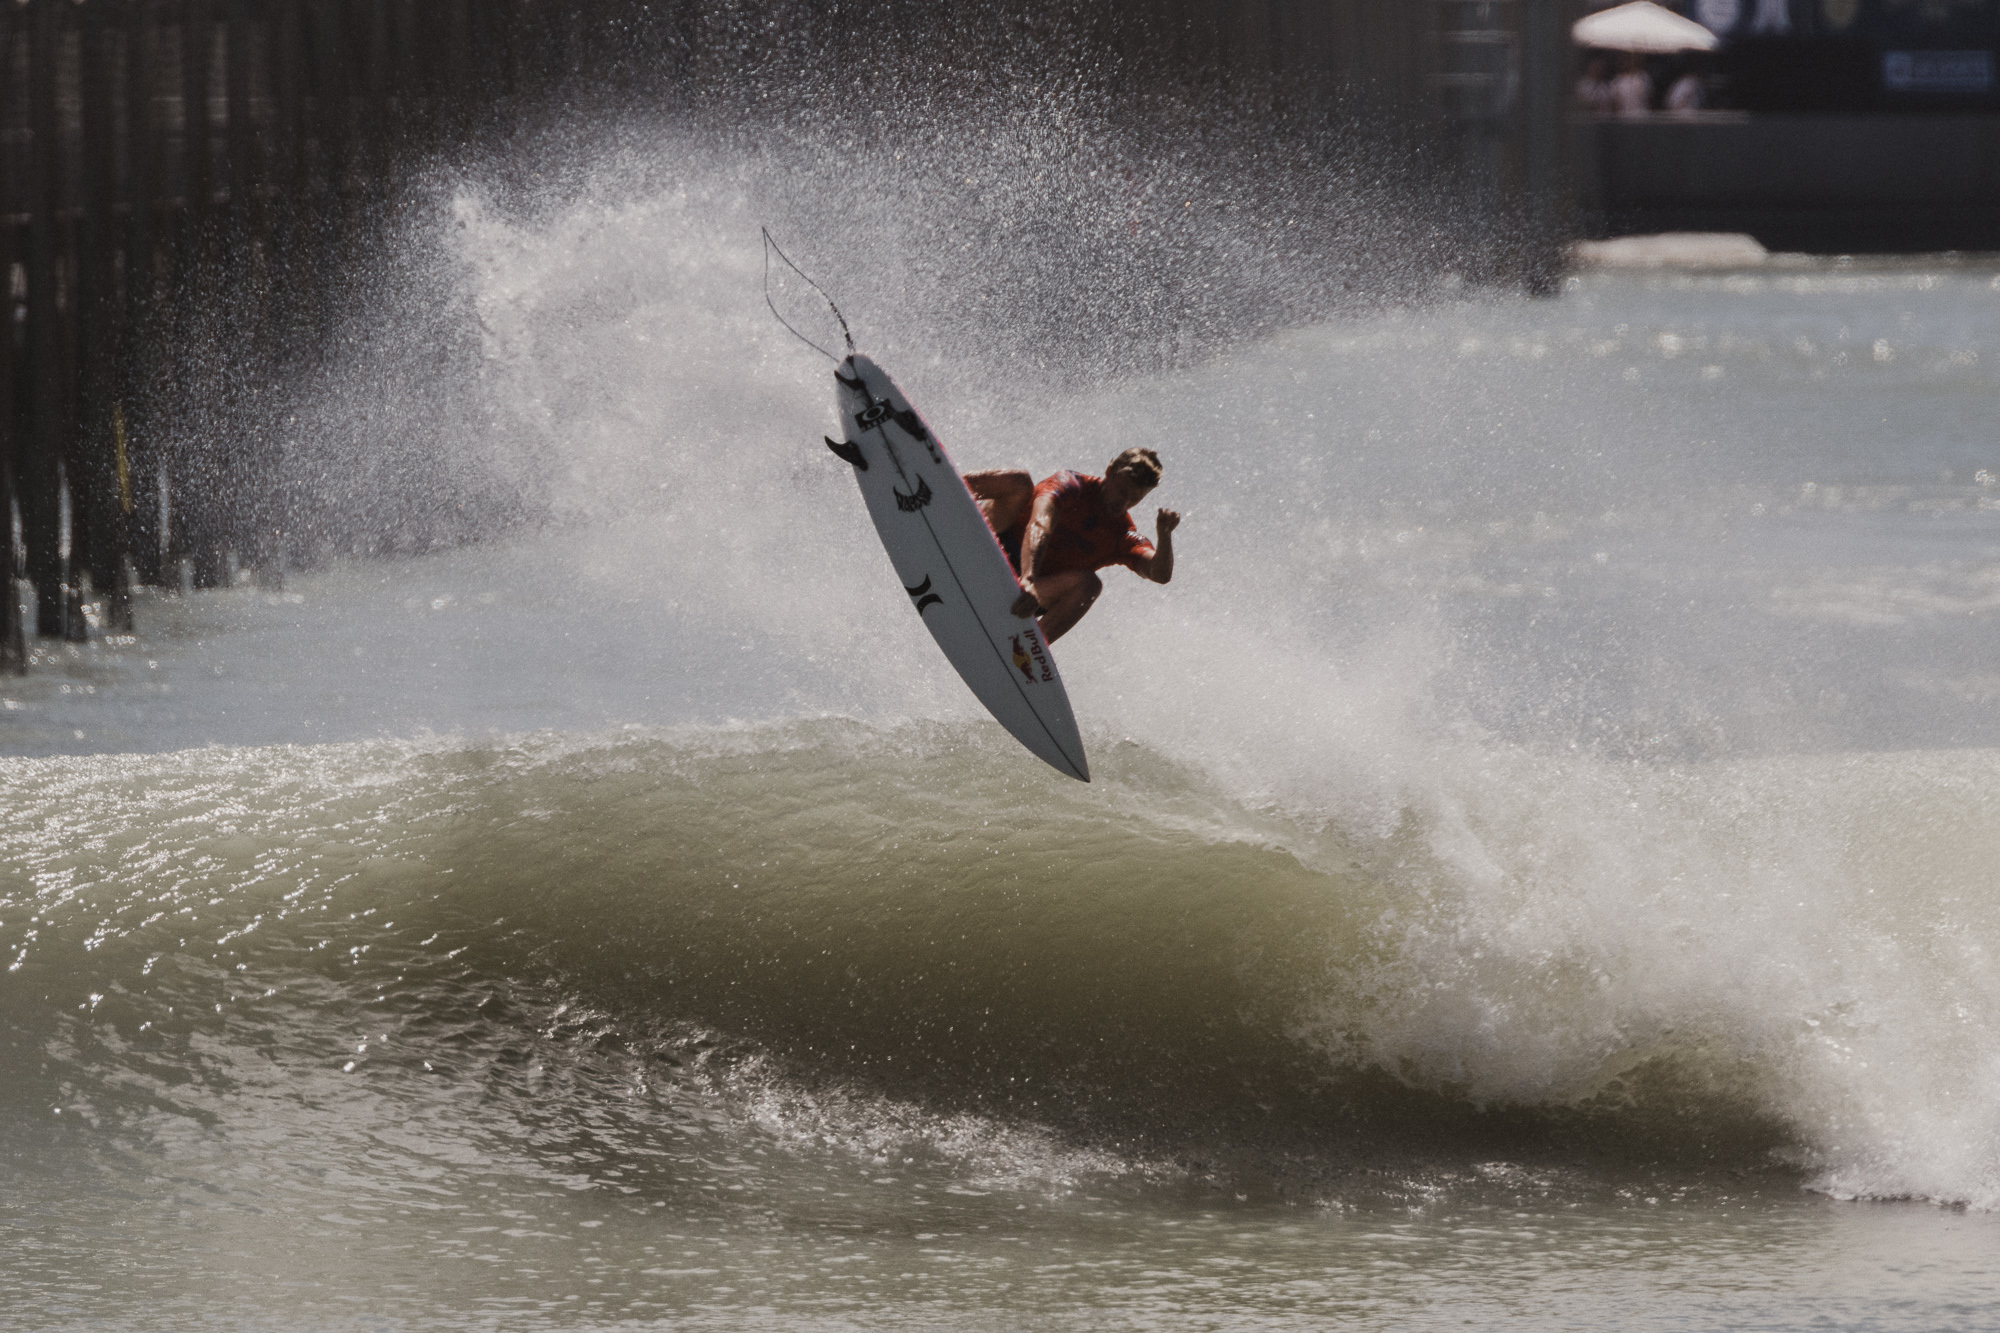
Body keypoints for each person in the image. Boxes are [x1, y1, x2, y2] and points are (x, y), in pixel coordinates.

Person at [964, 447, 1180, 644]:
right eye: (1122, 491)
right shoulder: (1070, 485)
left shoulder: (1122, 535)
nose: (1124, 503)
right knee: (1019, 481)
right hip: (989, 549)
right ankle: (946, 495)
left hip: (1025, 595)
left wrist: (1164, 536)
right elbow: (1040, 523)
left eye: (1135, 499)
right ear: (1109, 471)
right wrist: (1028, 578)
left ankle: (1027, 650)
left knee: (1089, 585)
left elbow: (1159, 574)